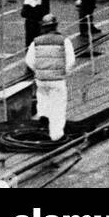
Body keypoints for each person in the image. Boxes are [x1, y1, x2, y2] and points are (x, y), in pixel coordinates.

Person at [26, 14, 76, 142]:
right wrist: (64, 73)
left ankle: (42, 130)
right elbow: (71, 61)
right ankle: (56, 136)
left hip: (41, 80)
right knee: (58, 108)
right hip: (57, 80)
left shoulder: (35, 41)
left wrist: (39, 71)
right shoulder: (64, 40)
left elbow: (29, 60)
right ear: (55, 26)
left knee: (43, 105)